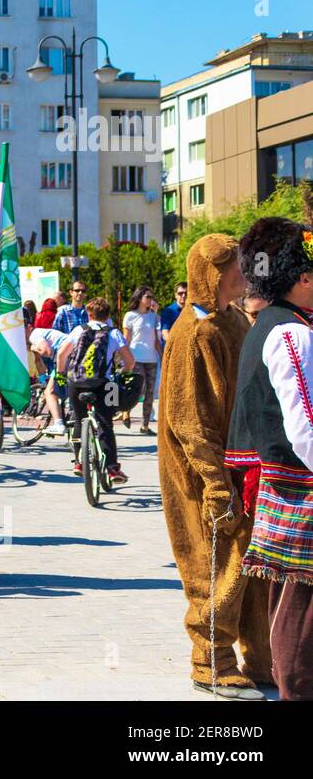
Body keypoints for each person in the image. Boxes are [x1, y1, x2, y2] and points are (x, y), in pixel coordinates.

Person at [159, 234, 270, 701]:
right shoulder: (194, 333)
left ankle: (265, 657)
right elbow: (190, 418)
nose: (243, 275)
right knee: (213, 564)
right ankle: (211, 661)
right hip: (202, 473)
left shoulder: (232, 322)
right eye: (235, 269)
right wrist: (214, 485)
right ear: (214, 275)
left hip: (240, 464)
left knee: (252, 565)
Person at [228, 217, 313, 700]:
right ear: (302, 278)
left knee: (292, 605)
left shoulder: (273, 324)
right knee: (301, 610)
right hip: (300, 487)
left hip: (287, 483)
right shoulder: (292, 333)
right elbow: (304, 425)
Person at [55, 296, 136, 484]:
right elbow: (130, 361)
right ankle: (112, 468)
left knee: (78, 419)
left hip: (76, 383)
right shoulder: (114, 333)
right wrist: (124, 373)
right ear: (107, 315)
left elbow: (61, 354)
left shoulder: (78, 330)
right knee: (105, 423)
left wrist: (61, 374)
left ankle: (78, 462)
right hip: (104, 384)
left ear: (89, 315)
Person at [122, 287, 161, 434]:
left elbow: (156, 340)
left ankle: (145, 426)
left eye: (152, 297)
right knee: (138, 389)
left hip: (151, 358)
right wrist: (123, 357)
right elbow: (126, 339)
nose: (150, 300)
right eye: (148, 297)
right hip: (136, 357)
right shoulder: (130, 316)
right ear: (139, 298)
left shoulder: (154, 317)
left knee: (150, 392)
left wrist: (163, 356)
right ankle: (126, 410)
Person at [27, 324, 69, 435]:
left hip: (65, 358)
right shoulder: (42, 333)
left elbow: (47, 351)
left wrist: (34, 347)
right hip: (74, 356)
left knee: (49, 392)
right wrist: (42, 380)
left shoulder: (35, 335)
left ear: (28, 327)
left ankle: (58, 424)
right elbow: (38, 362)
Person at [160, 281, 188, 346]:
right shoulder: (168, 311)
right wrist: (179, 346)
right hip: (173, 350)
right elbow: (165, 334)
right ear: (175, 295)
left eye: (186, 293)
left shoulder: (193, 311)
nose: (183, 295)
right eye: (180, 293)